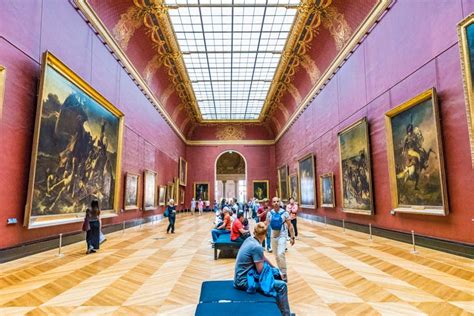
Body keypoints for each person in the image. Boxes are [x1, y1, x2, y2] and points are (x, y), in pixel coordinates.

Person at [234, 222, 292, 316]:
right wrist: (275, 272)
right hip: (243, 281)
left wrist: (275, 268)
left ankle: (280, 309)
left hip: (241, 277)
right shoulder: (256, 247)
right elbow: (261, 271)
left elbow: (262, 257)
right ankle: (286, 314)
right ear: (264, 235)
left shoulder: (250, 240)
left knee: (276, 273)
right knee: (282, 286)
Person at [266, 197, 295, 282]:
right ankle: (280, 273)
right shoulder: (269, 213)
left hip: (282, 235)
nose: (276, 203)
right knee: (276, 256)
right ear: (272, 203)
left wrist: (292, 237)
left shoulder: (285, 213)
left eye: (277, 201)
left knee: (280, 253)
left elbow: (290, 225)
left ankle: (284, 273)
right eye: (274, 201)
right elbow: (266, 224)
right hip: (273, 235)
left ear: (280, 202)